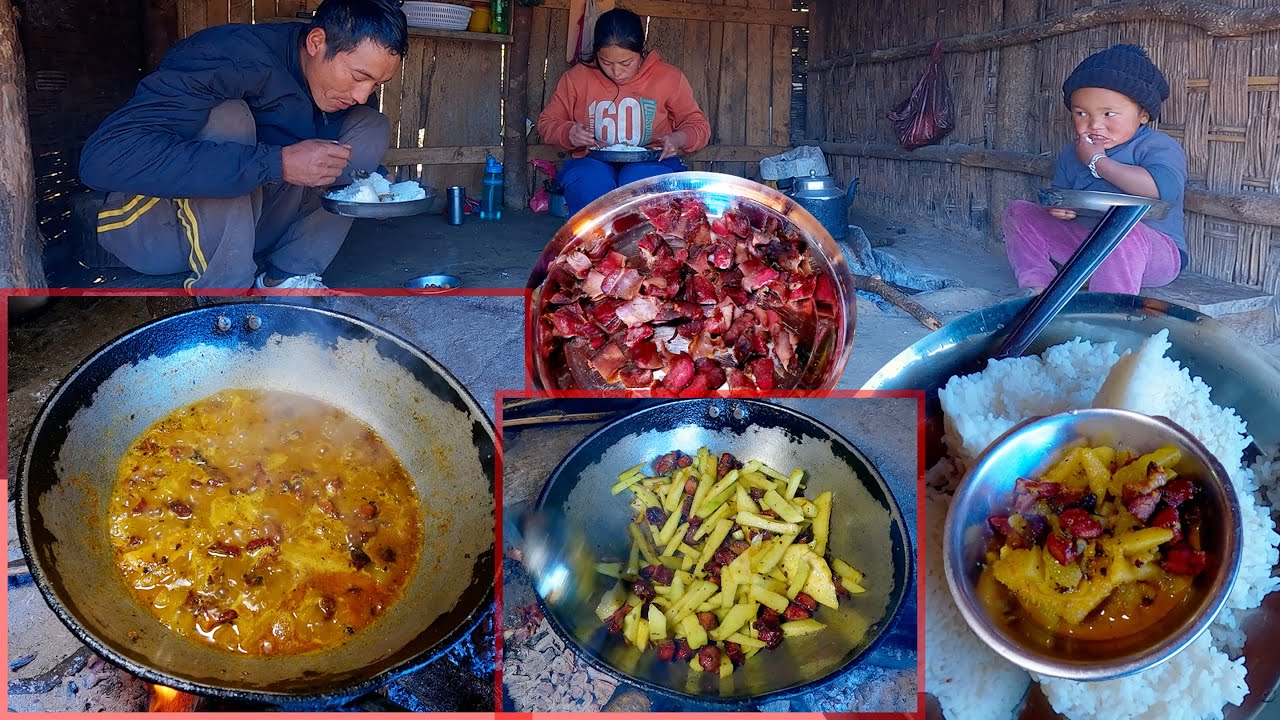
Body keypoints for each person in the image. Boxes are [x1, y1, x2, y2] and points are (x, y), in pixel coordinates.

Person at [78, 0, 408, 291]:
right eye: (358, 76)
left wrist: (372, 182)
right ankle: (226, 294)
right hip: (155, 235)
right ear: (316, 42)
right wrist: (277, 163)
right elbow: (102, 159)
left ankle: (287, 275)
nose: (364, 94)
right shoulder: (227, 56)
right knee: (228, 115)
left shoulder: (347, 91)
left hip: (255, 234)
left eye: (377, 83)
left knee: (371, 124)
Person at [1003, 44, 1187, 296]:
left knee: (1120, 230)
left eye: (1109, 113)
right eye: (1081, 113)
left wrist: (1098, 162)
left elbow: (1162, 192)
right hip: (1087, 245)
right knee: (1019, 211)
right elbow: (1063, 197)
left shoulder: (1156, 146)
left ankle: (1107, 309)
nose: (1094, 125)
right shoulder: (1072, 152)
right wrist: (1060, 210)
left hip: (1154, 253)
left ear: (1143, 115)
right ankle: (1037, 289)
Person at [537, 8, 711, 216]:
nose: (617, 72)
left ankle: (644, 245)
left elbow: (699, 126)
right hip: (592, 161)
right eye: (606, 62)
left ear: (641, 52)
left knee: (639, 184)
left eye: (626, 63)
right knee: (590, 184)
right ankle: (594, 245)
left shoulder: (668, 78)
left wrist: (679, 139)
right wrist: (568, 132)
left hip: (651, 162)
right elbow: (547, 123)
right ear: (596, 53)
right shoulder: (577, 78)